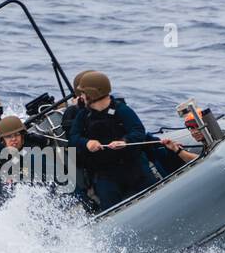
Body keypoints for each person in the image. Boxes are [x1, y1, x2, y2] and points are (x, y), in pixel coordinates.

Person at [67, 71, 159, 210]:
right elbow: (73, 138)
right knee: (109, 205)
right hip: (105, 173)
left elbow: (138, 131)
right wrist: (87, 143)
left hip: (133, 167)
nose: (82, 96)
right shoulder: (83, 116)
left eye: (83, 93)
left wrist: (125, 141)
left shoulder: (122, 110)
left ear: (91, 94)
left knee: (154, 195)